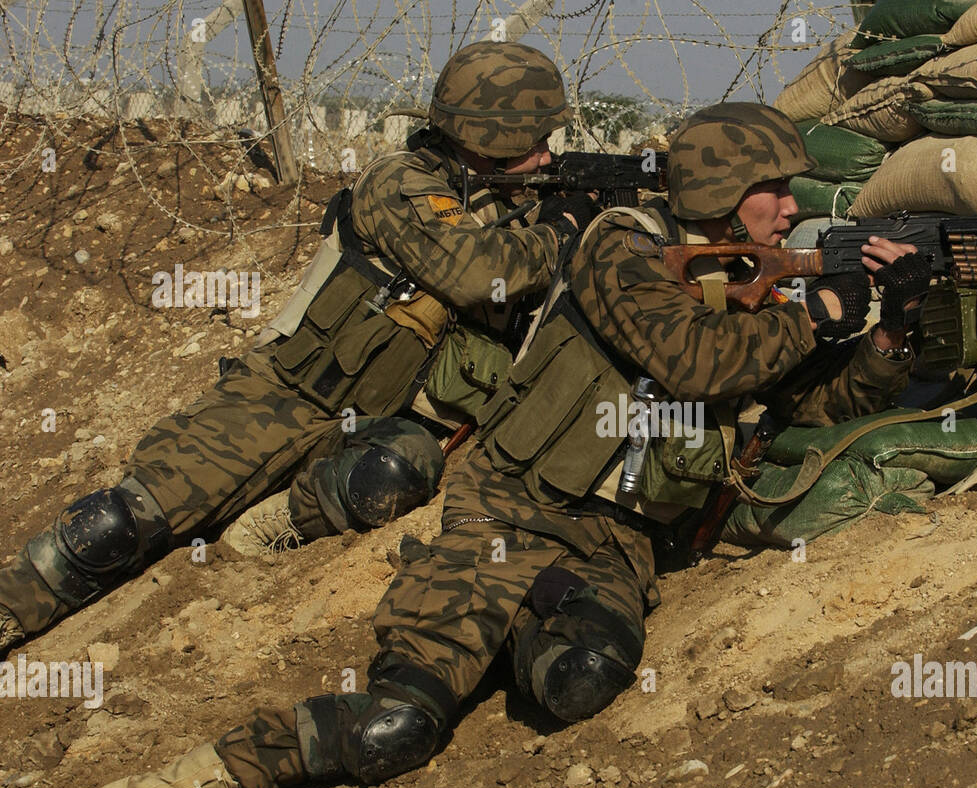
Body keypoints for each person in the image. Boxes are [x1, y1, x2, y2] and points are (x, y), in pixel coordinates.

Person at [89, 101, 932, 788]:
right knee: (397, 726)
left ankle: (515, 616)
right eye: (774, 188)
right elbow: (689, 362)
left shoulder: (757, 289)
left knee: (582, 677)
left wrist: (889, 332)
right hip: (507, 513)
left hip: (616, 544)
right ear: (718, 190)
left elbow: (817, 404)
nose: (793, 208)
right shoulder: (623, 245)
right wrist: (814, 316)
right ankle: (192, 779)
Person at [0, 41, 595, 657]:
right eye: (533, 143)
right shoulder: (401, 183)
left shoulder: (512, 202)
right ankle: (12, 605)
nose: (547, 155)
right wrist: (564, 229)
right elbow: (476, 271)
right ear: (485, 137)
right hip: (281, 396)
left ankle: (277, 519)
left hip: (369, 426)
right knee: (118, 524)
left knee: (402, 467)